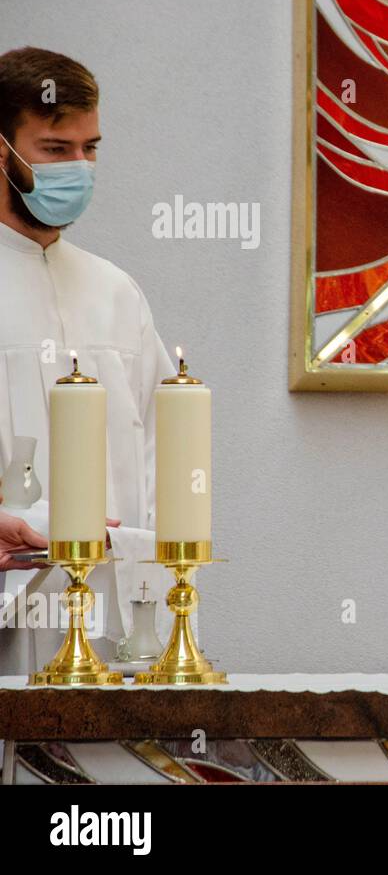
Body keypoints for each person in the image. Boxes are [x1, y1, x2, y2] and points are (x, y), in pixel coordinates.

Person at [0, 46, 175, 675]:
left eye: (90, 149)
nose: (79, 167)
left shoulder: (116, 292)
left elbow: (161, 459)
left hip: (113, 626)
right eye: (54, 149)